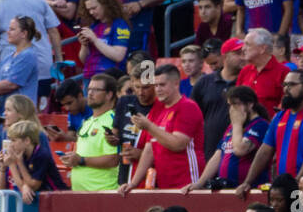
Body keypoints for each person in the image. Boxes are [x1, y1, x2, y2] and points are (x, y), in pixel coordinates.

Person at [119, 63, 205, 192]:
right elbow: (150, 149)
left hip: (188, 183)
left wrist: (149, 126)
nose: (158, 89)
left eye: (162, 85)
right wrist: (133, 183)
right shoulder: (158, 109)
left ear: (176, 84)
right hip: (164, 184)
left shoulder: (187, 107)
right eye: (156, 85)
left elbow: (178, 144)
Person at [64, 71, 118, 192]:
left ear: (109, 95)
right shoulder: (88, 122)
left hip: (102, 193)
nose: (90, 93)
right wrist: (72, 159)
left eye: (96, 90)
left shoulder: (113, 121)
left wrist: (81, 160)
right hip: (80, 193)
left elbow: (113, 159)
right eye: (89, 89)